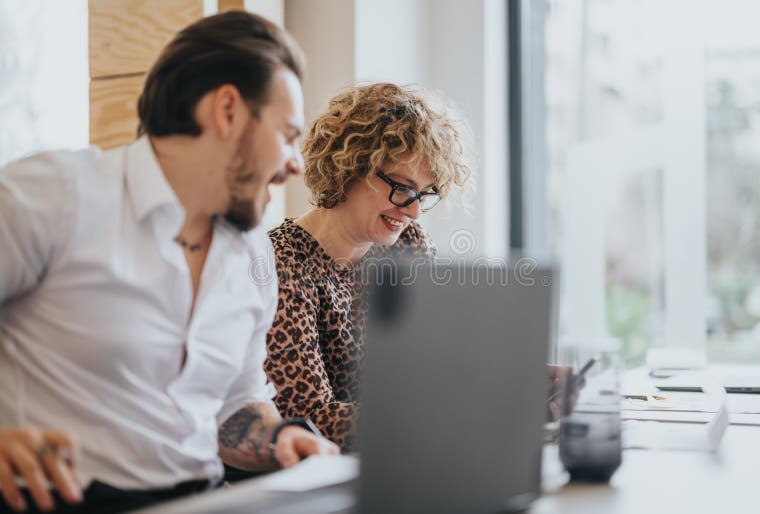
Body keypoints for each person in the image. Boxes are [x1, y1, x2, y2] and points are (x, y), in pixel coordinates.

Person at [0, 11, 338, 514]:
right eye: (288, 135)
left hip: (201, 502)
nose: (297, 163)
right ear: (227, 110)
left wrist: (278, 440)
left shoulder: (253, 253)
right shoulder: (55, 197)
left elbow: (233, 408)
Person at [265, 83, 472, 450]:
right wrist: (437, 415)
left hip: (403, 456)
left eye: (424, 194)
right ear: (348, 167)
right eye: (402, 188)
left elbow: (438, 365)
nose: (413, 211)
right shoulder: (282, 262)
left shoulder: (408, 245)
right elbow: (309, 418)